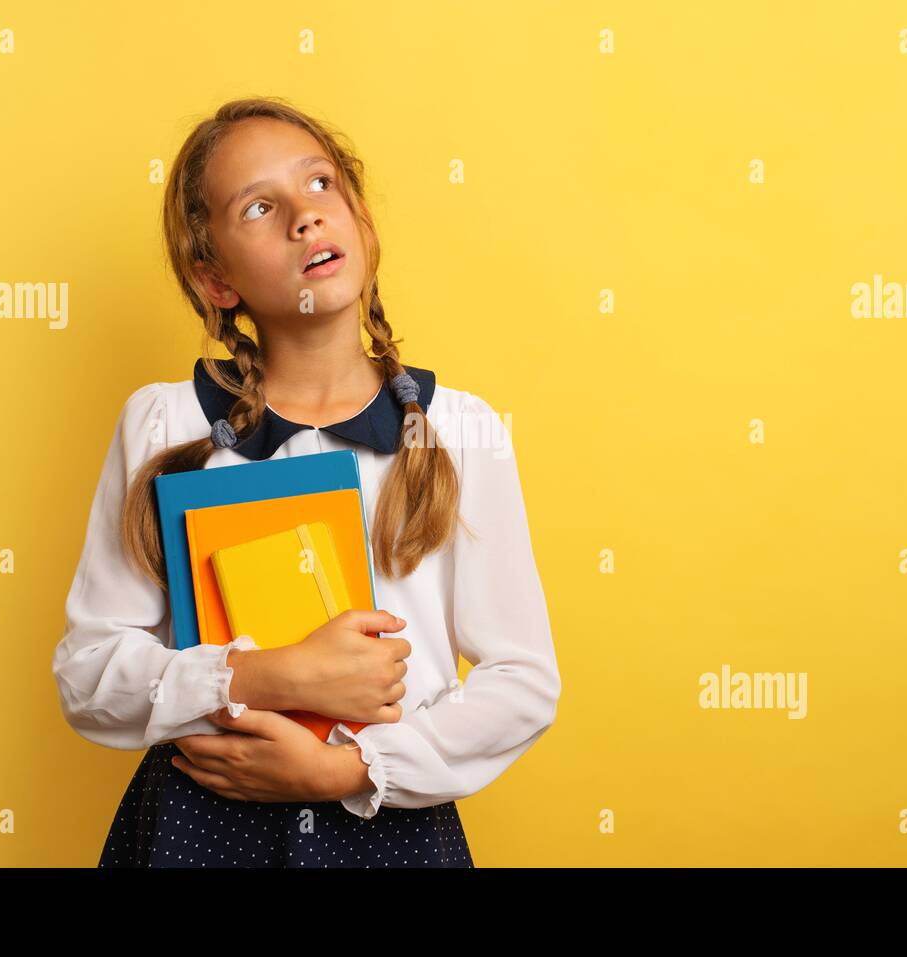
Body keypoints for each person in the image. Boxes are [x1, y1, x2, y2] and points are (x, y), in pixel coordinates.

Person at [51, 96, 561, 867]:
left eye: (320, 183)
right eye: (259, 206)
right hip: (199, 823)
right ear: (215, 278)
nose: (303, 217)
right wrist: (255, 674)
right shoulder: (164, 423)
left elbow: (523, 681)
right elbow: (87, 676)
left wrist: (347, 769)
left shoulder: (462, 429)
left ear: (359, 215)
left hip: (390, 823)